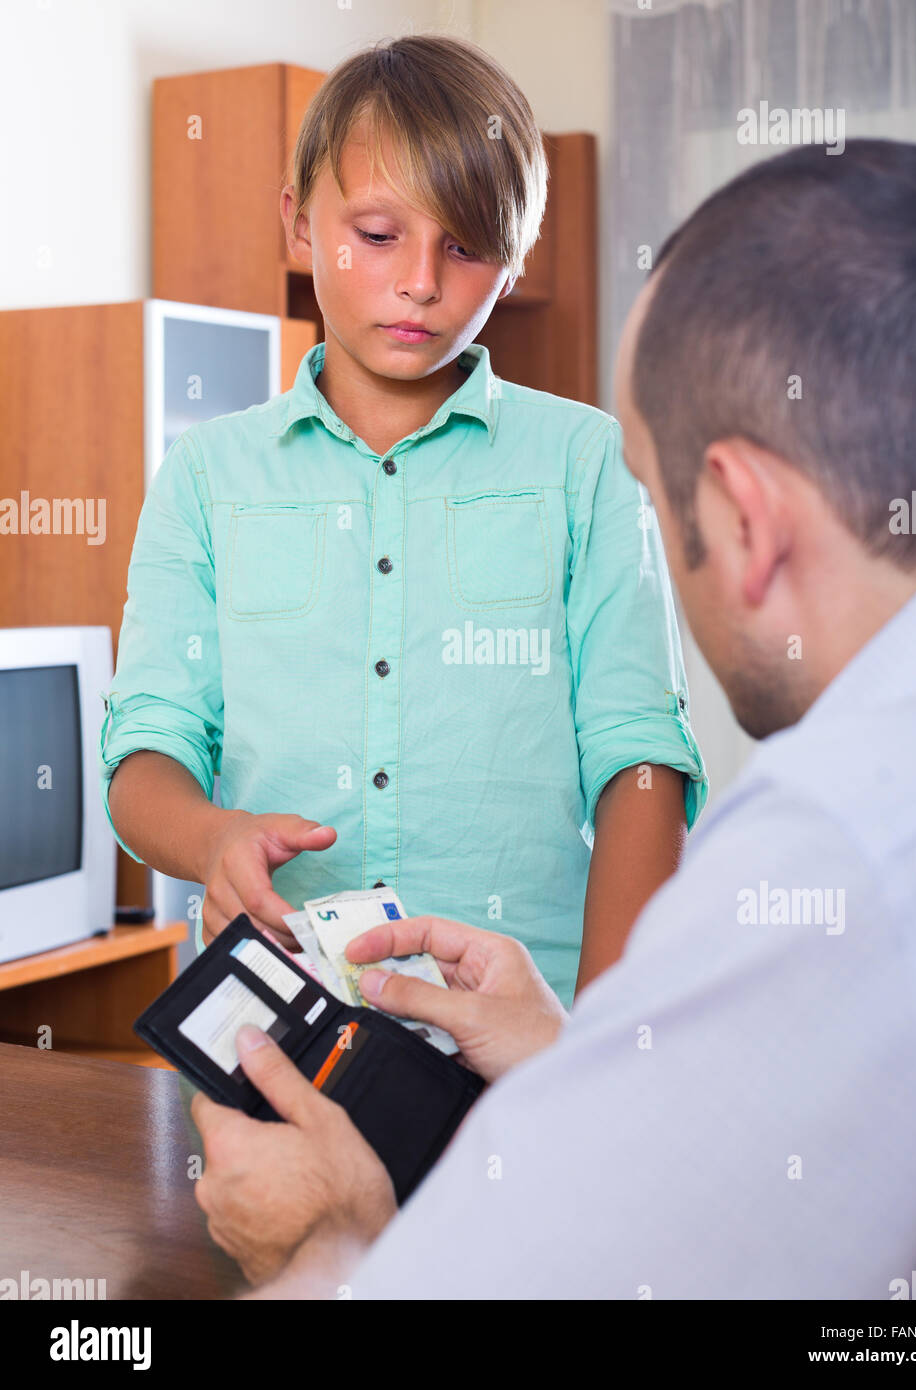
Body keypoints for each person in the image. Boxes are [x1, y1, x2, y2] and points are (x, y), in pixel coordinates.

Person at [193, 136, 916, 1299]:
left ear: (743, 516)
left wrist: (328, 1246)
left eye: (662, 499)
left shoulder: (843, 844)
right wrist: (576, 1052)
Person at [99, 34, 707, 1008]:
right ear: (300, 226)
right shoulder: (205, 477)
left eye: (465, 246)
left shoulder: (588, 463)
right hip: (276, 1024)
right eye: (379, 236)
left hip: (521, 1030)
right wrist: (213, 837)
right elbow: (146, 753)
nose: (422, 280)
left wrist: (591, 1059)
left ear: (514, 260)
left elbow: (641, 761)